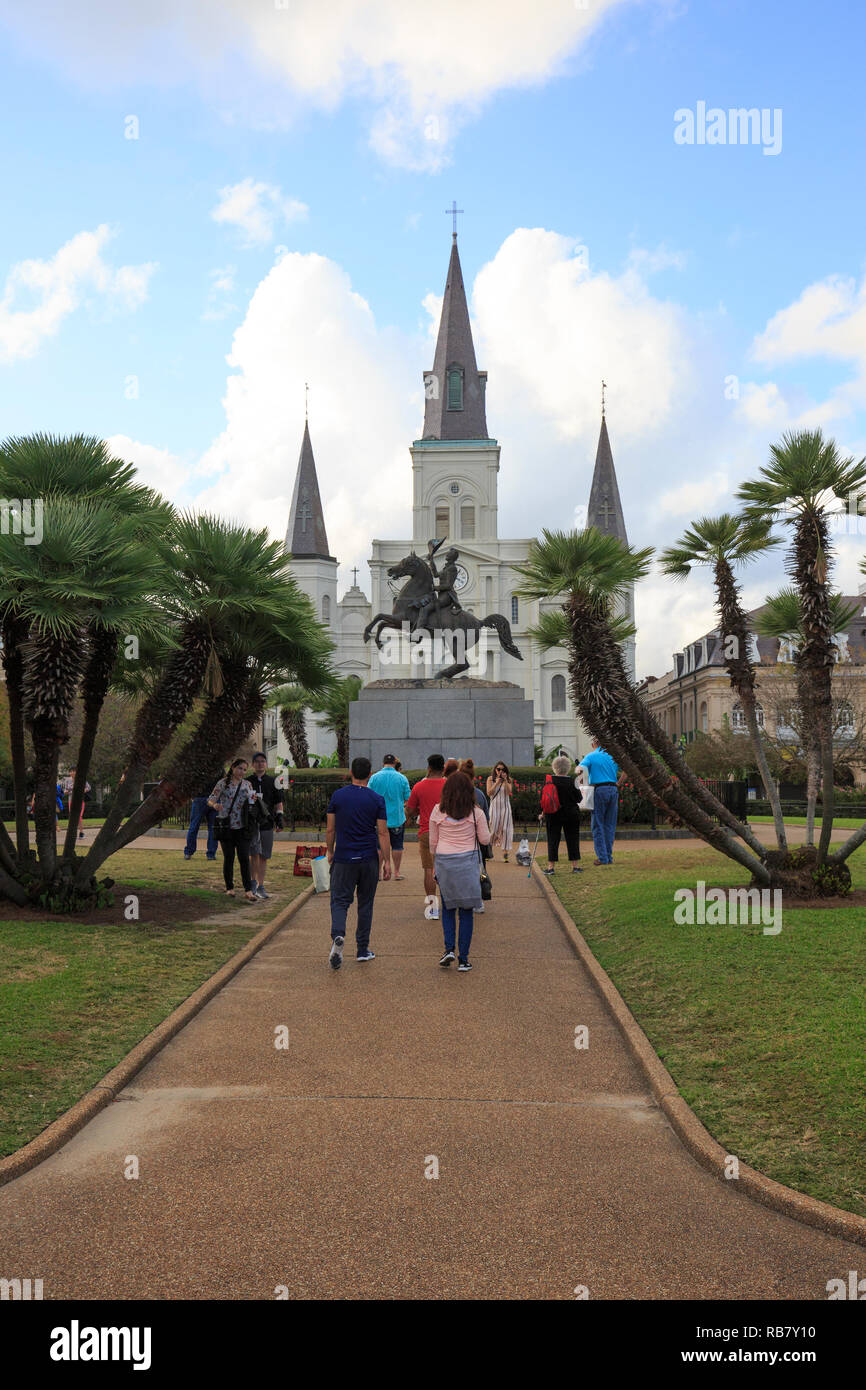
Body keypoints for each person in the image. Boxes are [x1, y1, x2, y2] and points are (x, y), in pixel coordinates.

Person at [326, 756, 391, 970]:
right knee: (365, 903)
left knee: (339, 900)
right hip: (368, 858)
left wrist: (330, 850)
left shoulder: (338, 796)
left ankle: (338, 934)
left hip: (344, 857)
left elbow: (330, 829)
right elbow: (382, 832)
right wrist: (387, 861)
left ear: (351, 773)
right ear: (370, 775)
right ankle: (363, 950)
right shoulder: (376, 799)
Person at [429, 770, 491, 972]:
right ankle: (464, 959)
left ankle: (448, 949)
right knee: (466, 912)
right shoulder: (476, 812)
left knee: (448, 908)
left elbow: (433, 843)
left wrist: (434, 867)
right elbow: (484, 840)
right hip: (467, 862)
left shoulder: (437, 811)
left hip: (444, 862)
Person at [208, 759, 261, 902]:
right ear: (232, 768)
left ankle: (248, 890)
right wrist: (215, 806)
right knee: (229, 858)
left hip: (243, 827)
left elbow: (252, 801)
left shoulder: (247, 784)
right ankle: (229, 888)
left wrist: (254, 799)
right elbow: (211, 799)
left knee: (244, 858)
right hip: (226, 826)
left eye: (244, 770)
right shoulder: (222, 783)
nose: (242, 772)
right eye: (239, 768)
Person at [406, 753, 447, 917]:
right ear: (443, 768)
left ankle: (433, 907)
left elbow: (410, 810)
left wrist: (416, 811)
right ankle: (449, 903)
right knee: (447, 869)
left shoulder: (419, 787)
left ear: (429, 768)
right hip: (448, 831)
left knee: (429, 870)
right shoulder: (449, 785)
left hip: (427, 831)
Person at [577, 738, 623, 866]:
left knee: (597, 824)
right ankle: (608, 856)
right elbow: (627, 769)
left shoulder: (591, 756)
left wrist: (583, 784)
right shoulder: (613, 756)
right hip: (613, 789)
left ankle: (602, 858)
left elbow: (580, 770)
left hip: (598, 790)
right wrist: (619, 782)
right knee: (610, 824)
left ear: (593, 744)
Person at [245, 752, 284, 899]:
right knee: (253, 854)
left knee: (264, 856)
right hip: (252, 824)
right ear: (253, 764)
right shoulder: (247, 782)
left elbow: (278, 802)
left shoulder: (273, 782)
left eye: (263, 761)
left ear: (266, 764)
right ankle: (252, 883)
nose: (260, 764)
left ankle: (261, 885)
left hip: (267, 823)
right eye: (257, 761)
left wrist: (279, 818)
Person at [368, 753, 411, 880]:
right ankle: (396, 872)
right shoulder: (402, 778)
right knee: (397, 846)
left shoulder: (374, 778)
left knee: (379, 847)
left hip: (378, 819)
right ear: (394, 764)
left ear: (383, 763)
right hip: (397, 817)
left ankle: (379, 873)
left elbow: (369, 796)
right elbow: (408, 797)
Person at [540, 754, 583, 875]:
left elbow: (544, 800)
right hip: (571, 814)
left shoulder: (549, 781)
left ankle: (550, 867)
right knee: (573, 838)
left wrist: (542, 813)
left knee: (553, 839)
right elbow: (579, 799)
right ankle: (575, 866)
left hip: (553, 814)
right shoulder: (572, 781)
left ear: (554, 767)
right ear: (568, 767)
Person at [184, 779, 220, 861]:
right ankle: (211, 854)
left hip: (200, 798)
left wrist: (192, 795)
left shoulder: (199, 768)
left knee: (194, 826)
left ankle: (189, 852)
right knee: (212, 828)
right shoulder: (218, 769)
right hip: (212, 799)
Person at [486, 761, 514, 862]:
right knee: (492, 828)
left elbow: (509, 792)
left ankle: (505, 853)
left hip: (505, 807)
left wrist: (505, 781)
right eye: (498, 769)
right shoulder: (490, 779)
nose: (500, 771)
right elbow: (489, 793)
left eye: (503, 769)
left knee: (506, 829)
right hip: (494, 807)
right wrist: (497, 783)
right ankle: (489, 851)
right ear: (495, 770)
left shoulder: (509, 780)